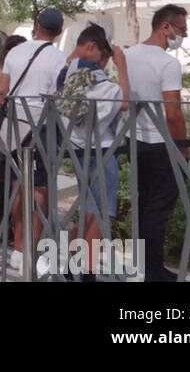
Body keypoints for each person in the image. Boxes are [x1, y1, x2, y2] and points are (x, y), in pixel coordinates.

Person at [0, 8, 68, 272]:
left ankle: (18, 247)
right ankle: (34, 252)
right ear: (59, 32)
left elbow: (0, 90)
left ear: (36, 25)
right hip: (42, 127)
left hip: (15, 125)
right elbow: (61, 95)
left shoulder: (15, 52)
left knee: (18, 186)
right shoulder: (58, 58)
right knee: (40, 190)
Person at [54, 23, 129, 279]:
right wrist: (123, 67)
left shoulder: (70, 77)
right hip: (102, 151)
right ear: (92, 48)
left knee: (88, 211)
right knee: (101, 214)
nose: (106, 60)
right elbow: (125, 102)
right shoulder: (103, 84)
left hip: (78, 148)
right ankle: (86, 271)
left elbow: (72, 60)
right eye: (106, 54)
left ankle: (69, 262)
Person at [124, 4, 189, 282]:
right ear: (166, 27)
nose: (183, 35)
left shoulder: (127, 56)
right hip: (162, 143)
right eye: (182, 29)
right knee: (158, 210)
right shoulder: (167, 63)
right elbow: (173, 113)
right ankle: (153, 271)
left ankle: (142, 267)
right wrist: (183, 148)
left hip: (134, 140)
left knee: (142, 204)